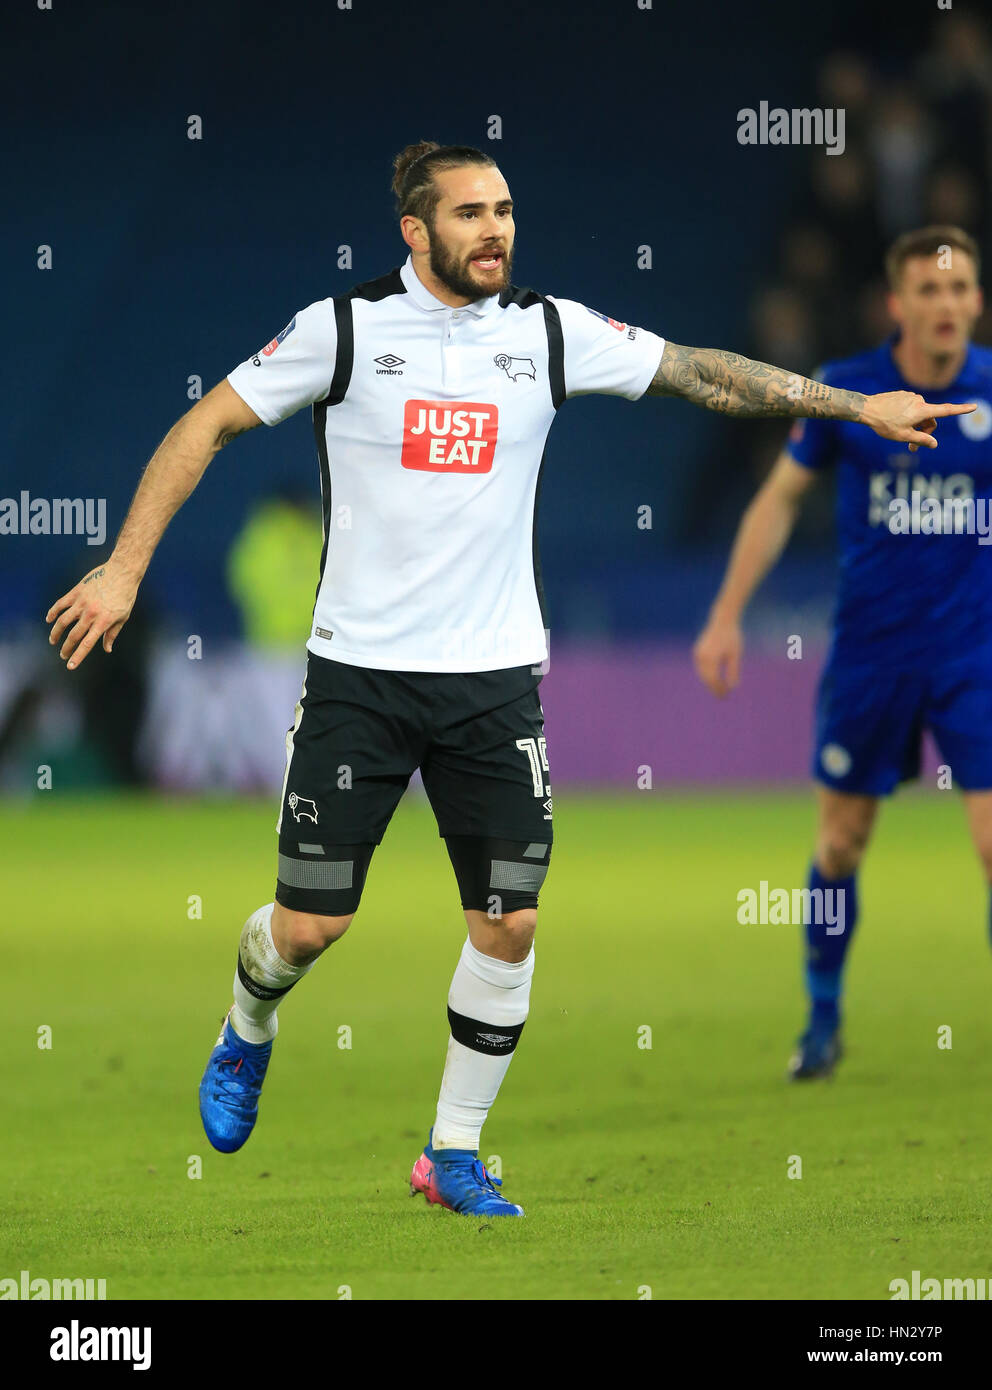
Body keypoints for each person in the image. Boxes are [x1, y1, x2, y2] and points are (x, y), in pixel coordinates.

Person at [45, 146, 973, 1215]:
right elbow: (207, 420)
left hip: (491, 684)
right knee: (308, 928)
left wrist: (851, 407)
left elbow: (696, 371)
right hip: (359, 678)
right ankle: (248, 1025)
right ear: (412, 230)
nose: (495, 230)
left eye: (505, 211)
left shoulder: (546, 331)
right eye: (470, 213)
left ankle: (452, 1151)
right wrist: (122, 567)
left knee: (510, 922)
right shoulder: (341, 331)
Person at [694, 225, 990, 1080]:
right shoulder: (850, 393)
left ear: (976, 298)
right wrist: (725, 615)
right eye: (927, 291)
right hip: (871, 657)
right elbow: (779, 501)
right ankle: (822, 1020)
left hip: (976, 653)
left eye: (959, 287)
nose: (945, 304)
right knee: (842, 844)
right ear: (897, 304)